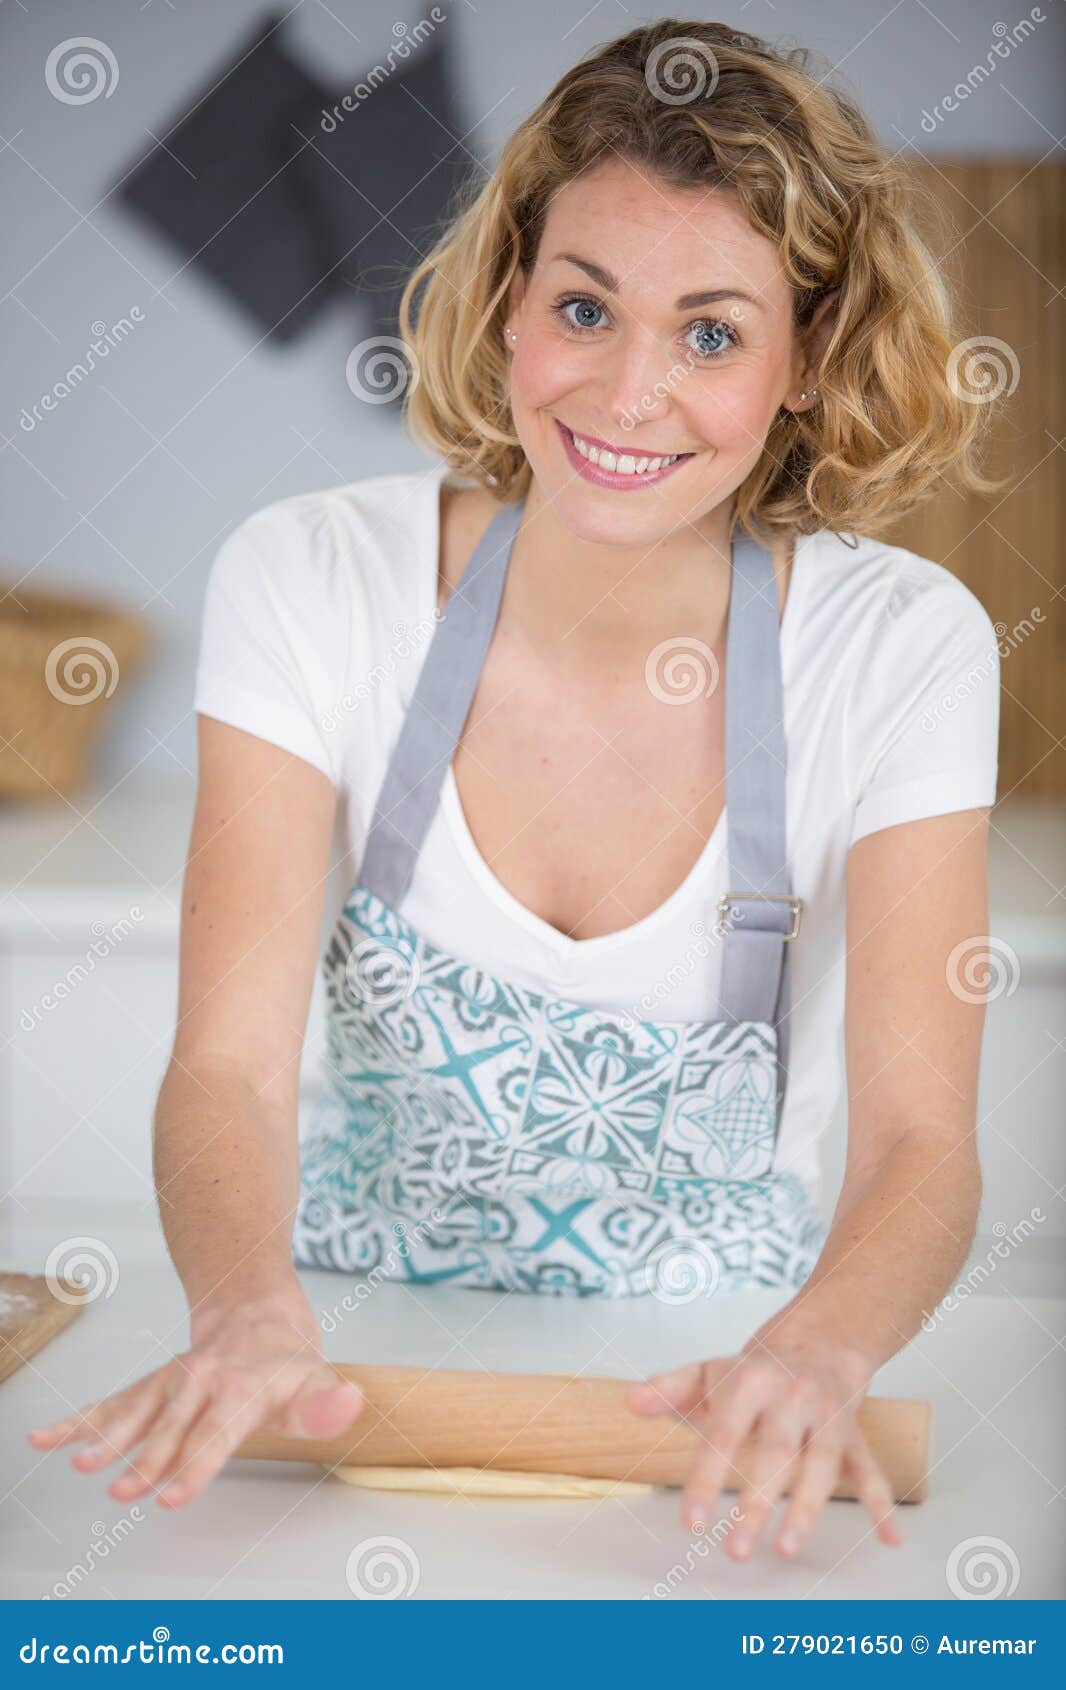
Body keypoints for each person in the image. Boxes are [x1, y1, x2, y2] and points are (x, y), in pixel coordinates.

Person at [29, 20, 1003, 1562]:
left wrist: (818, 1351)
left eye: (708, 332)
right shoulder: (315, 579)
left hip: (729, 1383)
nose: (626, 393)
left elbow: (917, 1145)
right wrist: (245, 1307)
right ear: (505, 306)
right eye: (583, 306)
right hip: (336, 1359)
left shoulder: (898, 648)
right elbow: (222, 1065)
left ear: (804, 356)